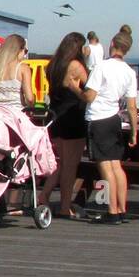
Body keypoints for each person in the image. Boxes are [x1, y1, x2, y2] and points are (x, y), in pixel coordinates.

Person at [82, 26, 139, 225]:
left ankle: (111, 210)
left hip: (98, 119)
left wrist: (77, 89)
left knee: (105, 168)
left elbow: (90, 95)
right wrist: (134, 132)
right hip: (115, 120)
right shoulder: (129, 72)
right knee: (117, 166)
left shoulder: (102, 67)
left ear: (112, 45)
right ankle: (122, 209)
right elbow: (132, 107)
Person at [42, 32, 90, 218]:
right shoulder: (76, 66)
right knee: (70, 166)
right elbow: (89, 89)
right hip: (73, 118)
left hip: (55, 117)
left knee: (59, 163)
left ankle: (44, 195)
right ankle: (64, 206)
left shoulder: (53, 65)